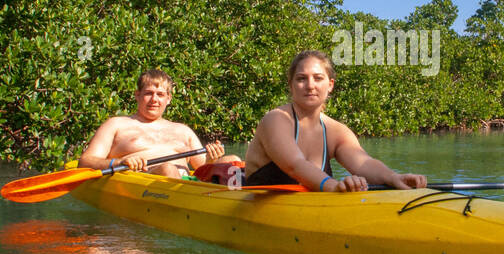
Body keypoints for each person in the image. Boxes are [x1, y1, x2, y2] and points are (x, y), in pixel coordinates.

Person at [244, 50, 427, 192]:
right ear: (291, 85)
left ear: (330, 85)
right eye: (301, 79)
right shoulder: (276, 120)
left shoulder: (335, 131)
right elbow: (295, 165)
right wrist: (333, 186)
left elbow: (364, 164)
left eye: (318, 78)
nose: (310, 85)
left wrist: (393, 177)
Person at [79, 69, 239, 178]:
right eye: (148, 93)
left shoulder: (183, 130)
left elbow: (202, 169)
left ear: (168, 99)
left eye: (160, 94)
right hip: (145, 184)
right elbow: (85, 161)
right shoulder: (116, 125)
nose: (154, 99)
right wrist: (118, 162)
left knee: (231, 159)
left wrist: (211, 158)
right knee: (167, 168)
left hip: (188, 186)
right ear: (137, 95)